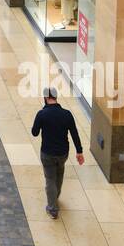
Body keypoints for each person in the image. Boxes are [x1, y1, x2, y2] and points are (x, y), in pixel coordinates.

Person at [31, 87, 84, 219]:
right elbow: (74, 134)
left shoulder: (42, 114)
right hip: (63, 153)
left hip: (47, 153)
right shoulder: (67, 114)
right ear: (56, 97)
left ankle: (52, 208)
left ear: (45, 98)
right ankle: (55, 197)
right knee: (59, 175)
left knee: (50, 179)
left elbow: (35, 133)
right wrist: (79, 151)